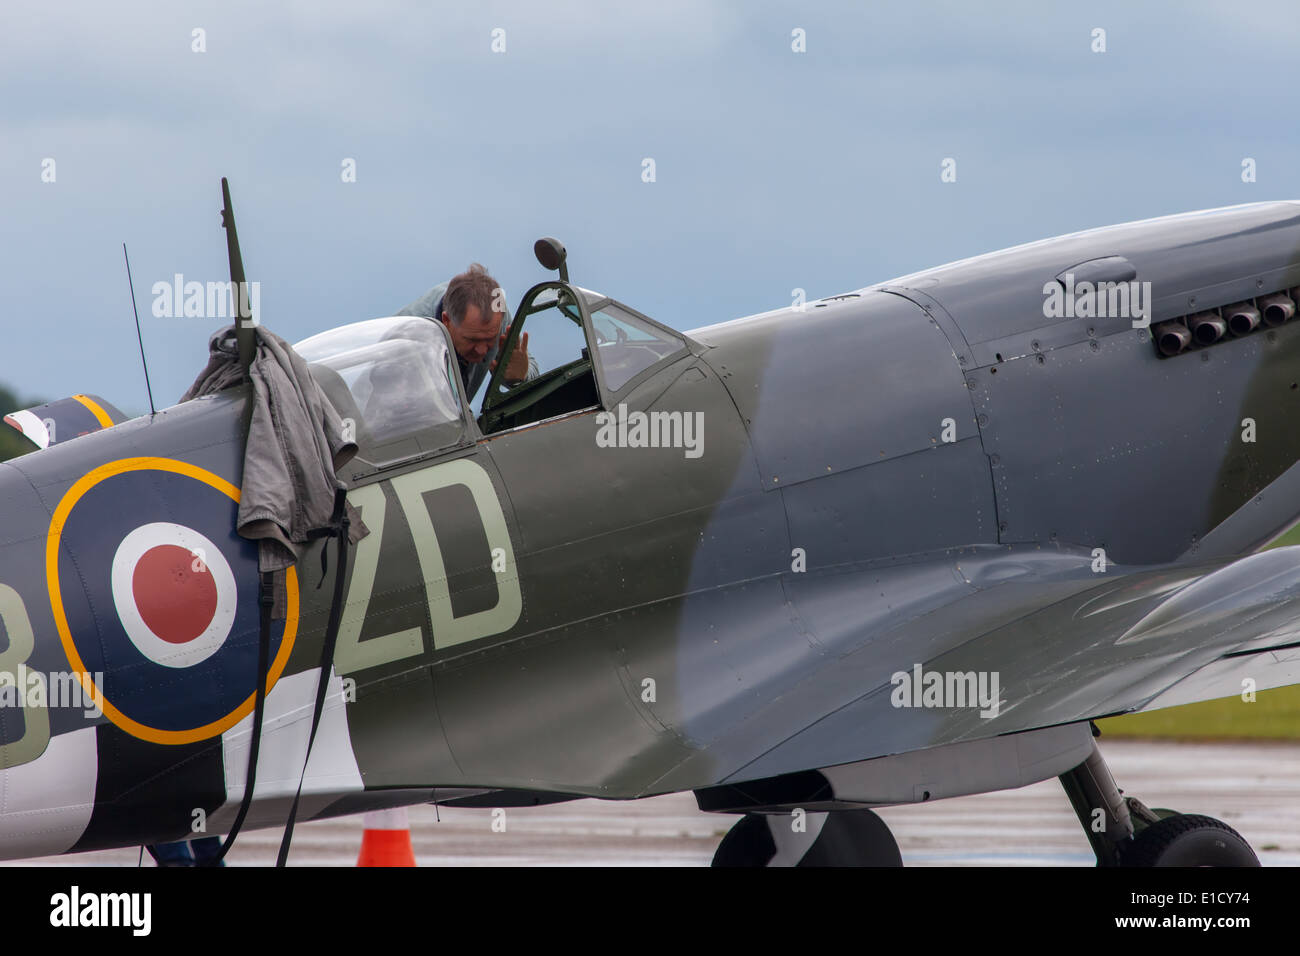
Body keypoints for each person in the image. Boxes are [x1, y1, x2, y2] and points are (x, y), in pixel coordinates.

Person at [396, 264, 536, 403]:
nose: (481, 350)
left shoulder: (497, 315)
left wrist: (519, 378)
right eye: (472, 339)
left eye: (490, 339)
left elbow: (532, 376)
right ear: (446, 321)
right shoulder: (407, 338)